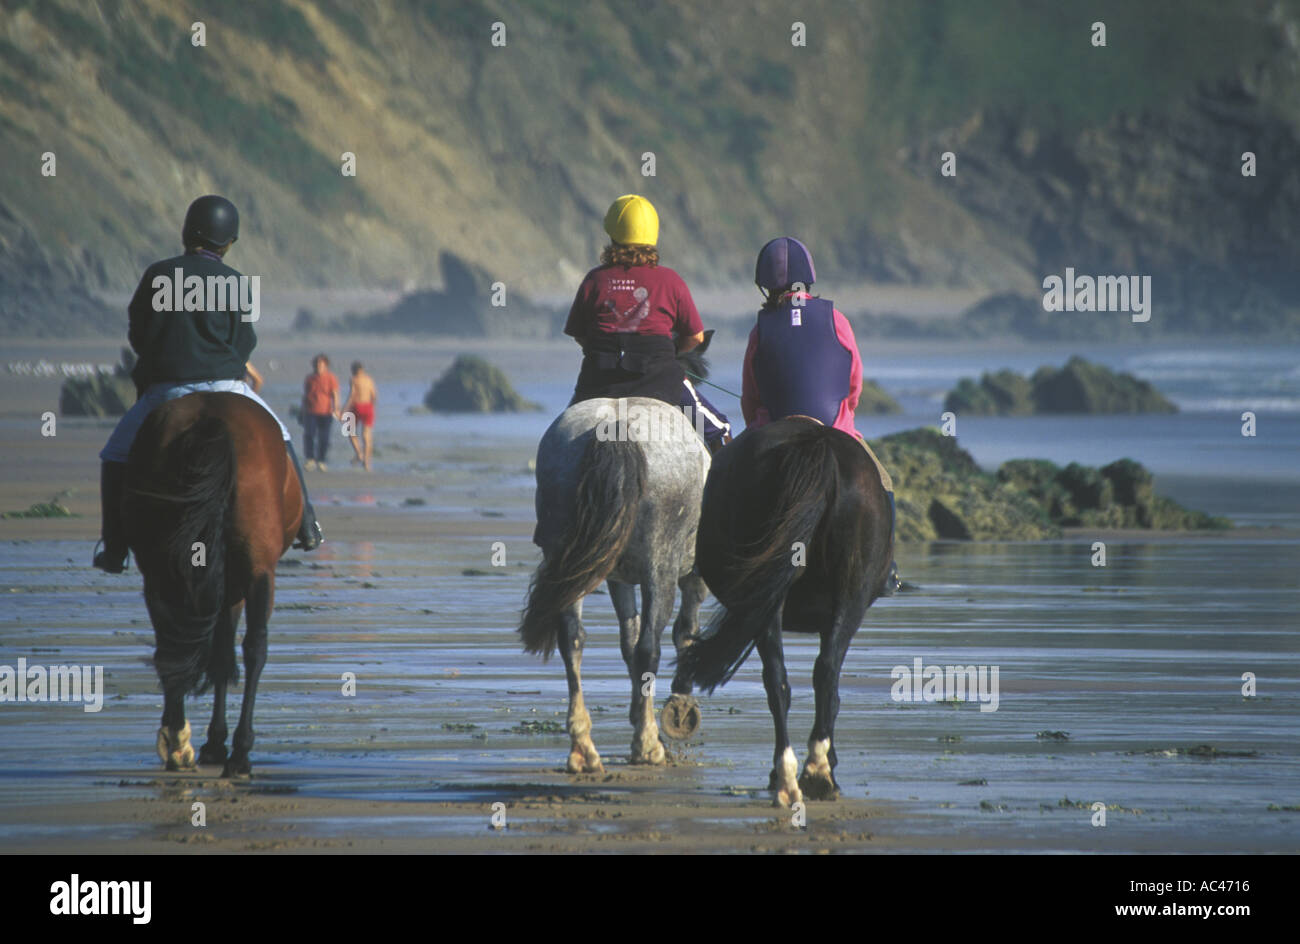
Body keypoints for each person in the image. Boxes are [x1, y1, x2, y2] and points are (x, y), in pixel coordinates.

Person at [93, 195, 322, 573]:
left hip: (168, 390)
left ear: (187, 231)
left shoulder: (158, 274)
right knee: (280, 437)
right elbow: (246, 340)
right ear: (228, 241)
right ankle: (308, 524)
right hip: (226, 387)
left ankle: (114, 546)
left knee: (114, 455)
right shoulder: (235, 282)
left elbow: (138, 332)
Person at [740, 236, 900, 593]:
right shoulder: (836, 319)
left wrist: (757, 424)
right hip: (836, 431)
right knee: (884, 485)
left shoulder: (760, 329)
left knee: (728, 480)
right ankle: (886, 568)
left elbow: (751, 397)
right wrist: (844, 419)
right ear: (808, 279)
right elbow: (854, 383)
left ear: (764, 285)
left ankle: (728, 562)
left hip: (773, 432)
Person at [564, 195, 730, 450]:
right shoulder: (670, 280)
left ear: (612, 236)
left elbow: (579, 334)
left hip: (598, 381)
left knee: (562, 437)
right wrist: (672, 353)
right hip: (660, 381)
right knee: (719, 430)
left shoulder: (594, 280)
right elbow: (696, 337)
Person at [301, 354, 339, 471]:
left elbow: (335, 394)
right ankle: (310, 459)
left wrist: (336, 408)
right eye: (317, 364)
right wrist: (302, 410)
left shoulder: (331, 378)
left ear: (326, 366)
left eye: (321, 364)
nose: (318, 366)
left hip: (326, 412)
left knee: (324, 438)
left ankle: (321, 460)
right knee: (309, 435)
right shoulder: (309, 378)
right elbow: (305, 395)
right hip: (311, 411)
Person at [342, 360, 377, 471]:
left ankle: (359, 454)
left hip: (356, 406)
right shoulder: (369, 379)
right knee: (367, 436)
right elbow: (374, 395)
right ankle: (367, 463)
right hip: (368, 407)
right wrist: (372, 407)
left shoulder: (354, 379)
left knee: (350, 431)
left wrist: (344, 409)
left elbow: (352, 395)